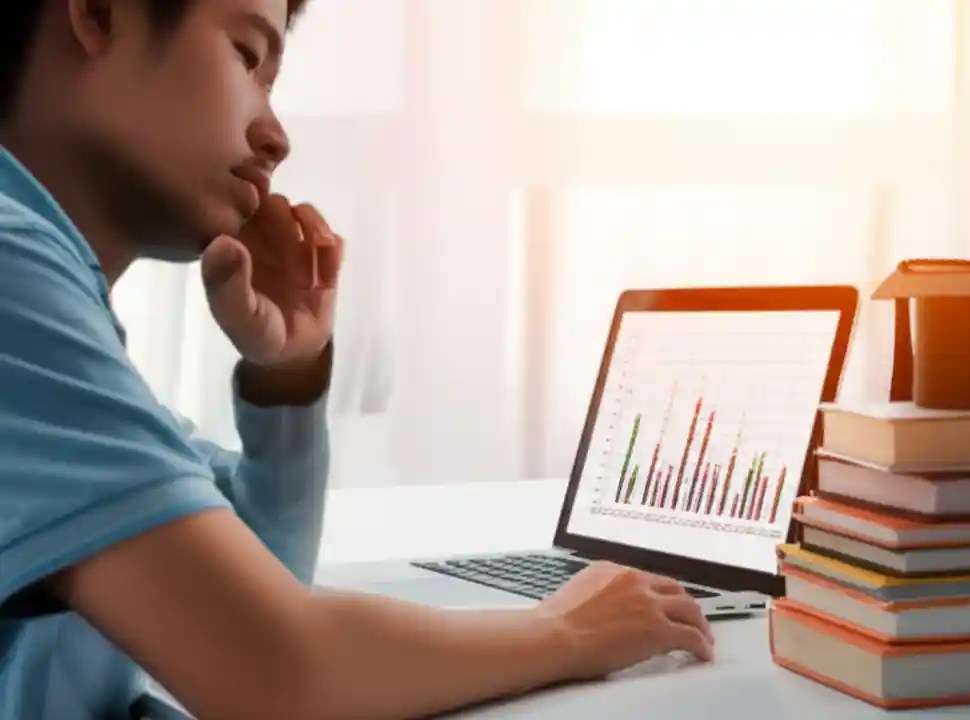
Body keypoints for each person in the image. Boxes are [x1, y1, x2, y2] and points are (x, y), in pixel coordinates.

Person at [0, 1, 716, 717]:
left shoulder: (50, 308)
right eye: (247, 56)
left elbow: (252, 590)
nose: (274, 137)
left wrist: (288, 377)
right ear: (97, 12)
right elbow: (274, 670)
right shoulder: (12, 271)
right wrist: (566, 629)